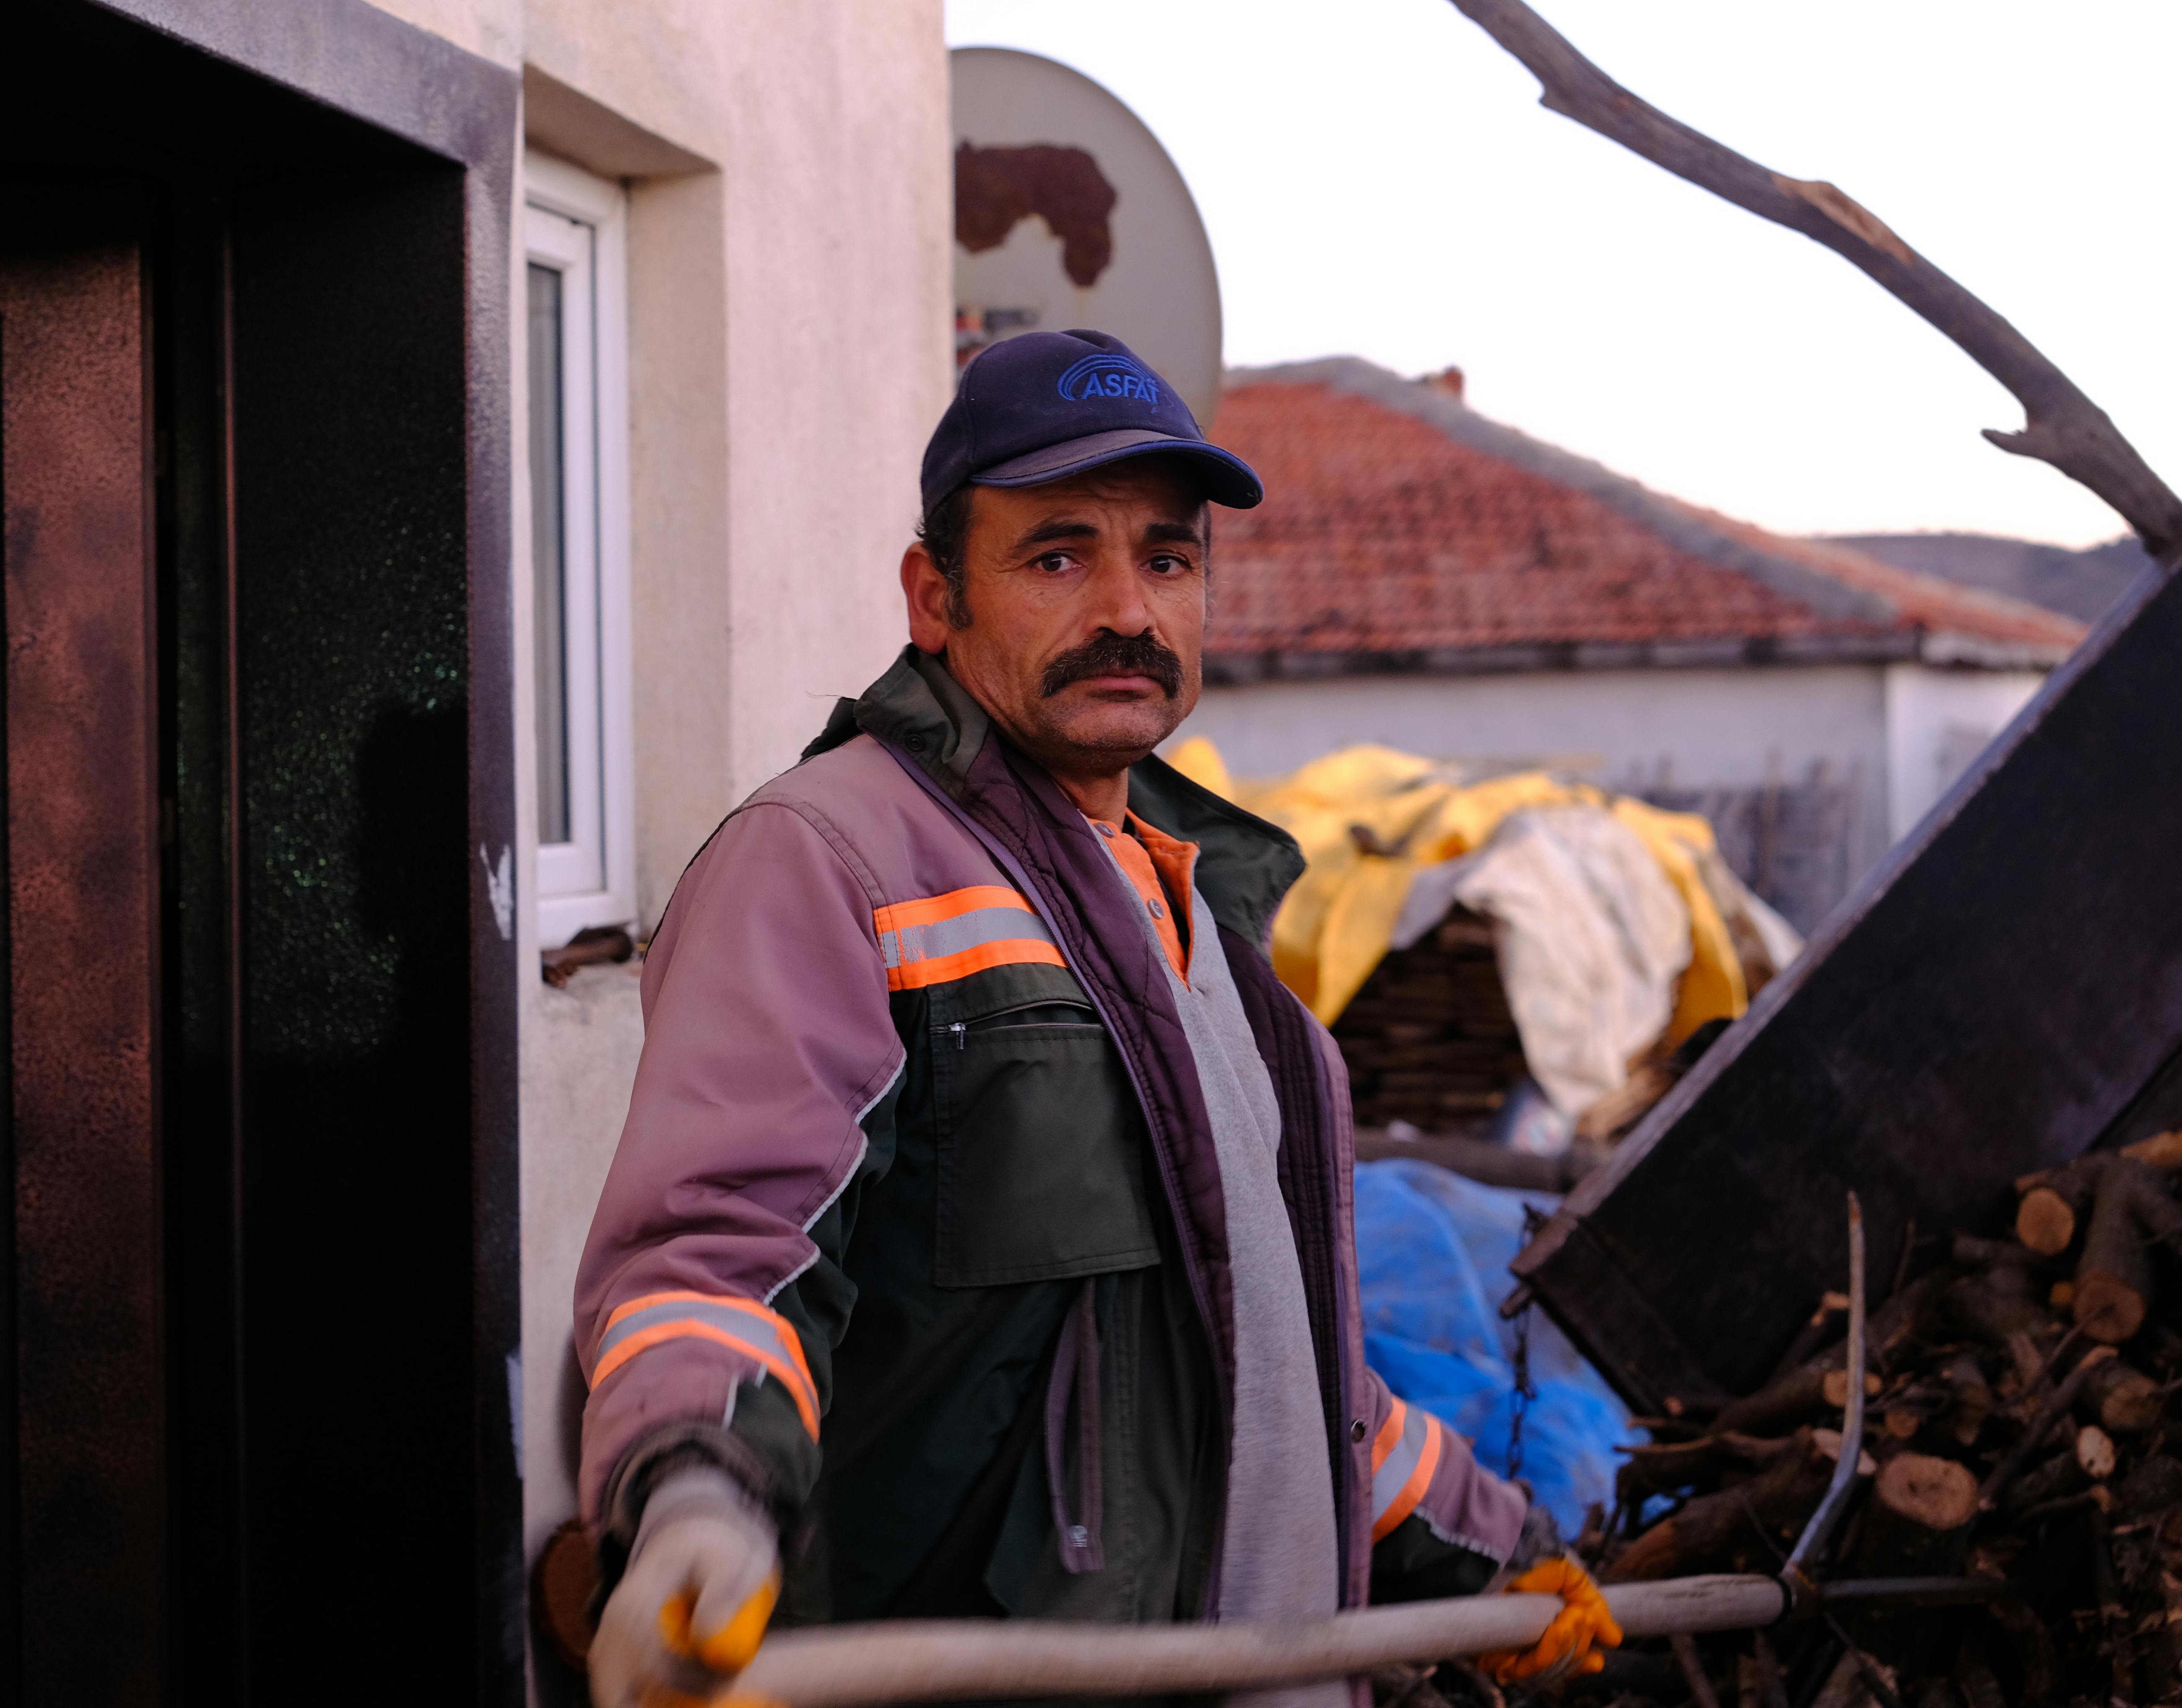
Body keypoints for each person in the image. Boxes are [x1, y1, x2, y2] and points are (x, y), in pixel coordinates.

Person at [567, 330, 1620, 1708]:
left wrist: (1496, 1559)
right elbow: (721, 1251)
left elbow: (1271, 1369)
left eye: (1168, 561)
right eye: (1059, 557)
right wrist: (700, 1497)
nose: (1129, 609)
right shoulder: (833, 862)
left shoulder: (1200, 910)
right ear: (935, 599)